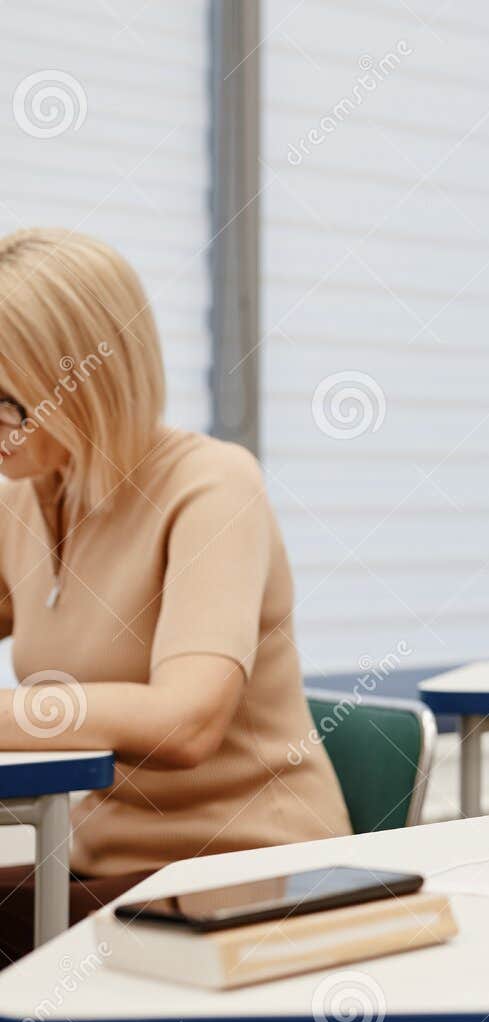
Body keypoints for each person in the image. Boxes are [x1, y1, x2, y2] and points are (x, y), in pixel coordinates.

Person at [0, 229, 352, 966]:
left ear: (81, 386)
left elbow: (184, 721)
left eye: (8, 400)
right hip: (100, 867)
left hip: (243, 870)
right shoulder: (28, 492)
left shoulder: (213, 486)